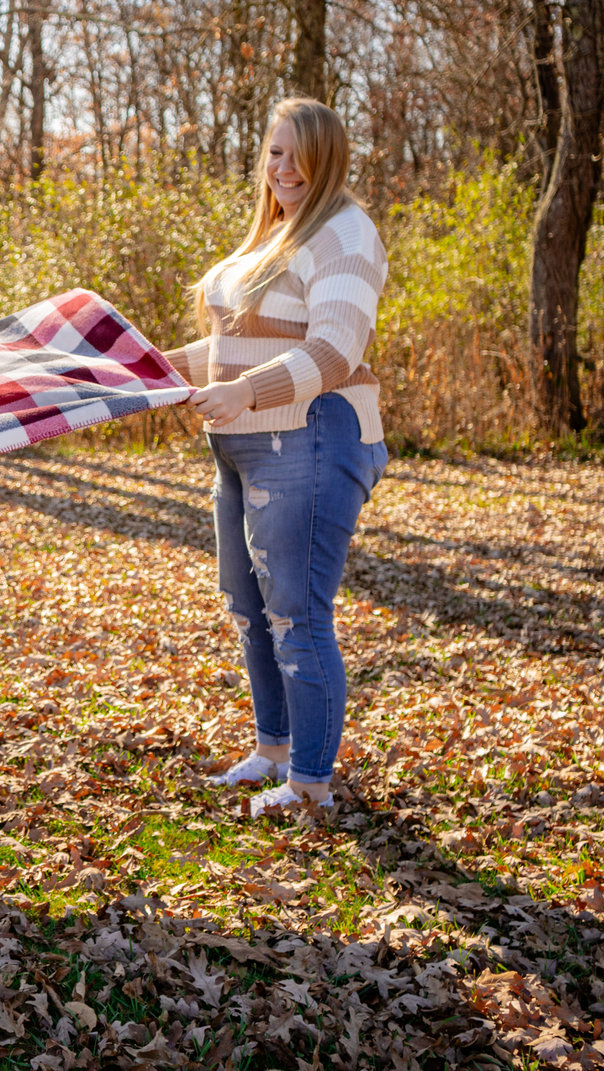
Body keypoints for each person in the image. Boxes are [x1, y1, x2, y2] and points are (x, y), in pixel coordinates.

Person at [163, 98, 389, 819]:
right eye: (274, 153)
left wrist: (244, 393)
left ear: (330, 162)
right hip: (241, 444)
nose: (284, 169)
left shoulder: (344, 234)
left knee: (296, 611)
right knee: (249, 606)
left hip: (313, 434)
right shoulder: (273, 237)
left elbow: (331, 351)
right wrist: (159, 371)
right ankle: (275, 750)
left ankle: (312, 784)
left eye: (300, 156)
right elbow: (232, 350)